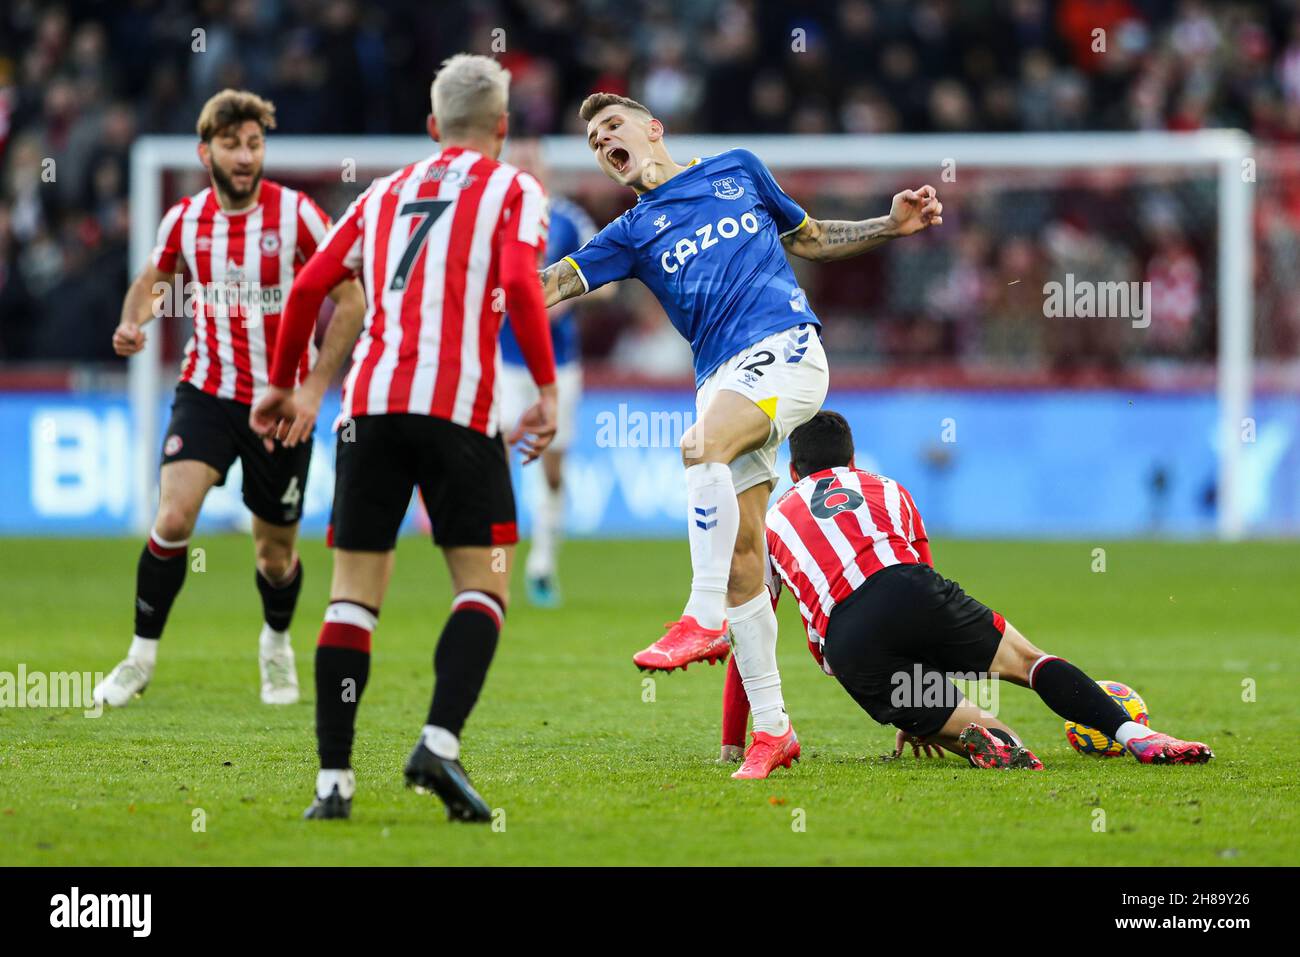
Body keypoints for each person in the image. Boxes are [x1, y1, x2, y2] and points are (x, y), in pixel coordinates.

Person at [538, 92, 943, 778]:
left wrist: (891, 224)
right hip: (720, 378)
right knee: (744, 562)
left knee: (699, 446)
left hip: (786, 348)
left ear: (651, 129)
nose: (603, 139)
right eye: (593, 140)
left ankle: (699, 618)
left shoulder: (737, 170)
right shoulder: (630, 233)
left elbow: (809, 237)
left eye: (612, 125)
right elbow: (549, 283)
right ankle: (775, 730)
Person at [252, 54, 558, 821]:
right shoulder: (514, 187)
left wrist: (286, 379)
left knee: (352, 598)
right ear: (502, 127)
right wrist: (548, 390)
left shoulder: (382, 193)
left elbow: (308, 284)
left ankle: (333, 785)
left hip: (370, 408)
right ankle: (438, 743)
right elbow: (522, 285)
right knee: (485, 584)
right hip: (459, 410)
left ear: (431, 127)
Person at [95, 89, 365, 709]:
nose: (245, 156)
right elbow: (151, 282)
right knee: (170, 519)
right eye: (231, 144)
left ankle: (275, 644)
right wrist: (133, 322)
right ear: (205, 151)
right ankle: (139, 658)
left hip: (280, 406)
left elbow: (351, 299)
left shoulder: (298, 215)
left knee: (274, 557)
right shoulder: (185, 220)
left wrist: (315, 388)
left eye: (254, 144)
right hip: (208, 392)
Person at [748, 411, 1214, 768]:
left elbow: (753, 631)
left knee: (950, 721)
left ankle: (999, 741)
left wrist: (734, 742)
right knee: (1029, 663)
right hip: (908, 589)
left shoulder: (772, 518)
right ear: (853, 459)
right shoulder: (888, 488)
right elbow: (924, 573)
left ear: (792, 471)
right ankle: (1136, 735)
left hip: (848, 643)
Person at [497, 139, 602, 607]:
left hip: (560, 365)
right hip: (504, 361)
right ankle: (493, 559)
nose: (525, 167)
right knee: (496, 454)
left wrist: (567, 297)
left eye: (531, 161)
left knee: (552, 468)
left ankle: (542, 562)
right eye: (517, 161)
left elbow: (608, 282)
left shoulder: (568, 219)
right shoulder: (492, 219)